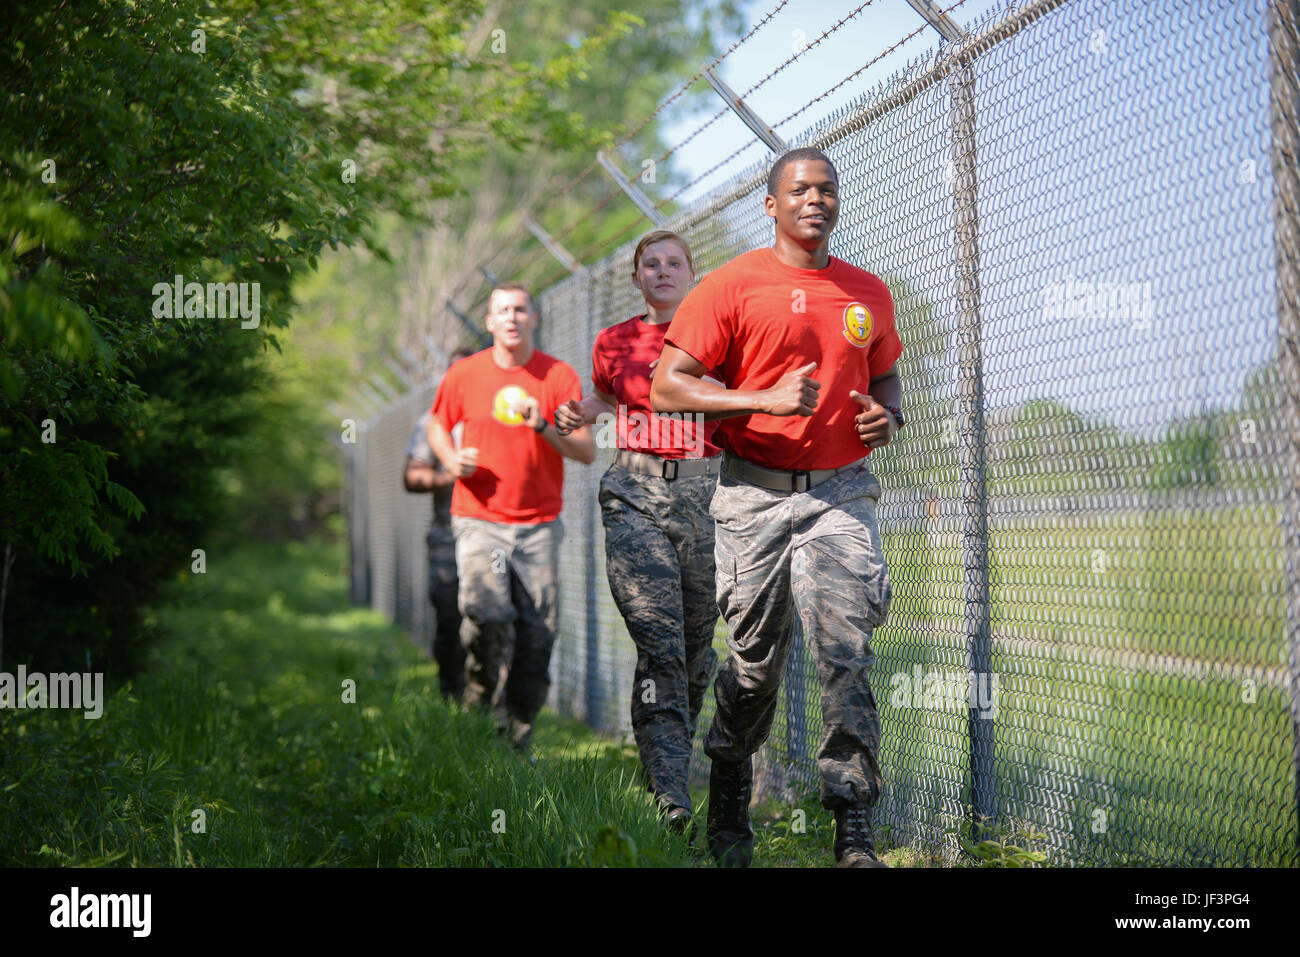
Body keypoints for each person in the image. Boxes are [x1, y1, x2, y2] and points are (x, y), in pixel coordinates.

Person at [650, 147, 905, 868]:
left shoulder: (867, 293)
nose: (814, 200)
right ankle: (729, 783)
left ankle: (853, 827)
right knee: (756, 666)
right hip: (752, 495)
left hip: (840, 492)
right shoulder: (731, 287)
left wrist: (890, 419)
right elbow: (670, 386)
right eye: (799, 190)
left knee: (846, 650)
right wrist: (756, 398)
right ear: (772, 204)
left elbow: (886, 381)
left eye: (826, 189)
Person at [555, 231, 721, 833]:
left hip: (706, 497)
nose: (663, 271)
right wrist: (580, 411)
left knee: (697, 654)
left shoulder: (718, 336)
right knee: (661, 642)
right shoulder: (615, 341)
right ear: (637, 278)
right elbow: (606, 398)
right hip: (635, 492)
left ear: (691, 273)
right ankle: (671, 797)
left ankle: (668, 759)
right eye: (650, 264)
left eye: (674, 262)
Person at [427, 283, 596, 755]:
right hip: (479, 518)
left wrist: (541, 422)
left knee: (538, 633)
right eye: (503, 310)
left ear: (534, 318)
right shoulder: (464, 375)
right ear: (489, 322)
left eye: (521, 309)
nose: (512, 318)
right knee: (488, 614)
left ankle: (517, 732)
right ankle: (480, 697)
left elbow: (585, 450)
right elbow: (438, 424)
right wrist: (451, 458)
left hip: (538, 525)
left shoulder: (557, 376)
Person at [403, 346, 476, 701]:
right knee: (450, 619)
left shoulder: (500, 415)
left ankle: (491, 705)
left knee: (492, 619)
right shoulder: (430, 422)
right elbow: (411, 478)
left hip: (496, 534)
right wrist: (451, 475)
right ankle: (452, 697)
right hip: (448, 536)